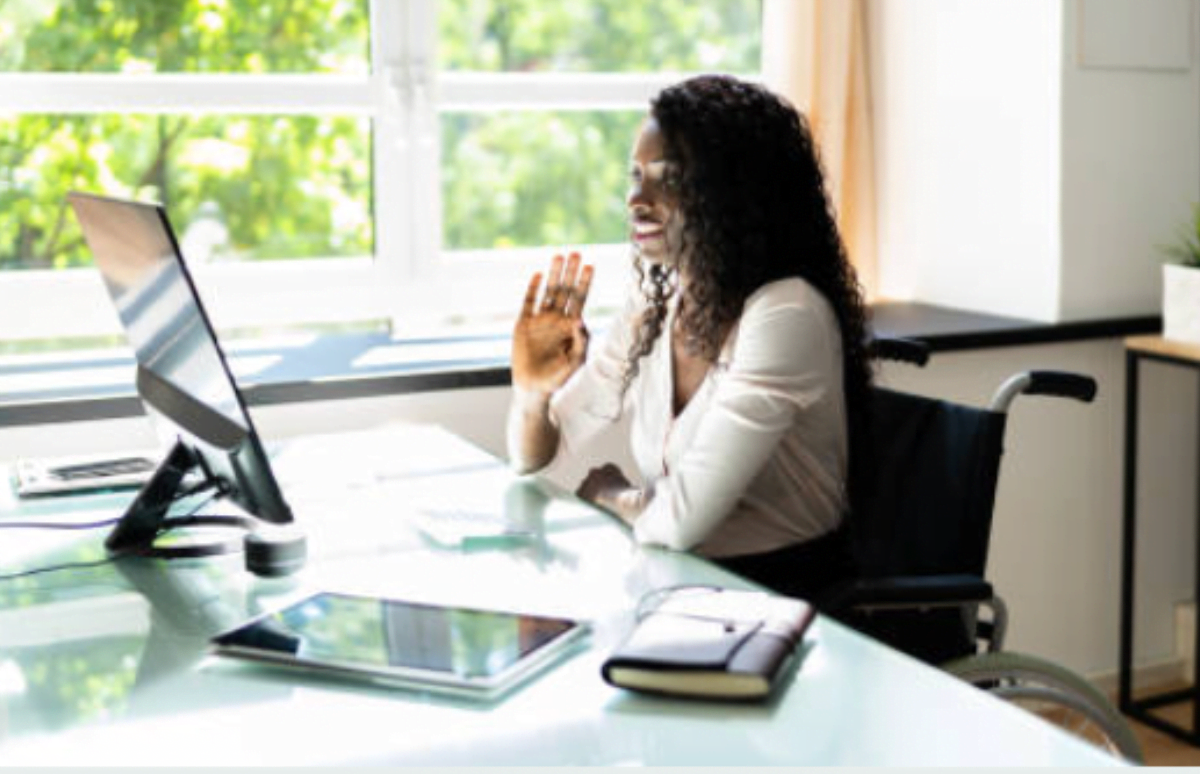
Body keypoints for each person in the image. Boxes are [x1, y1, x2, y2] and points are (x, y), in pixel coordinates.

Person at [506, 74, 872, 600]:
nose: (637, 199)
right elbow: (536, 459)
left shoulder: (786, 312)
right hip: (683, 585)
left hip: (787, 598)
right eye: (635, 176)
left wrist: (611, 494)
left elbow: (680, 520)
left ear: (736, 191)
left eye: (669, 179)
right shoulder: (654, 304)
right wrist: (532, 394)